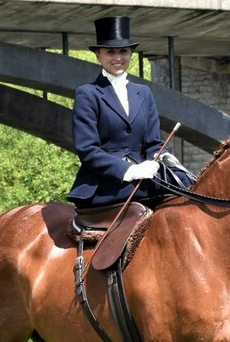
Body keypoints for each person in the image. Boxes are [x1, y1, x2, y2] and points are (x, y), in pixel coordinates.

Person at [67, 15, 179, 210]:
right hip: (105, 183)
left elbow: (153, 144)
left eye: (123, 51)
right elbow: (88, 151)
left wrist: (165, 158)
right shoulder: (87, 94)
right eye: (110, 52)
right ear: (98, 55)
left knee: (187, 184)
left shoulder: (144, 93)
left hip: (143, 177)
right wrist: (130, 170)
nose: (118, 58)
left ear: (130, 54)